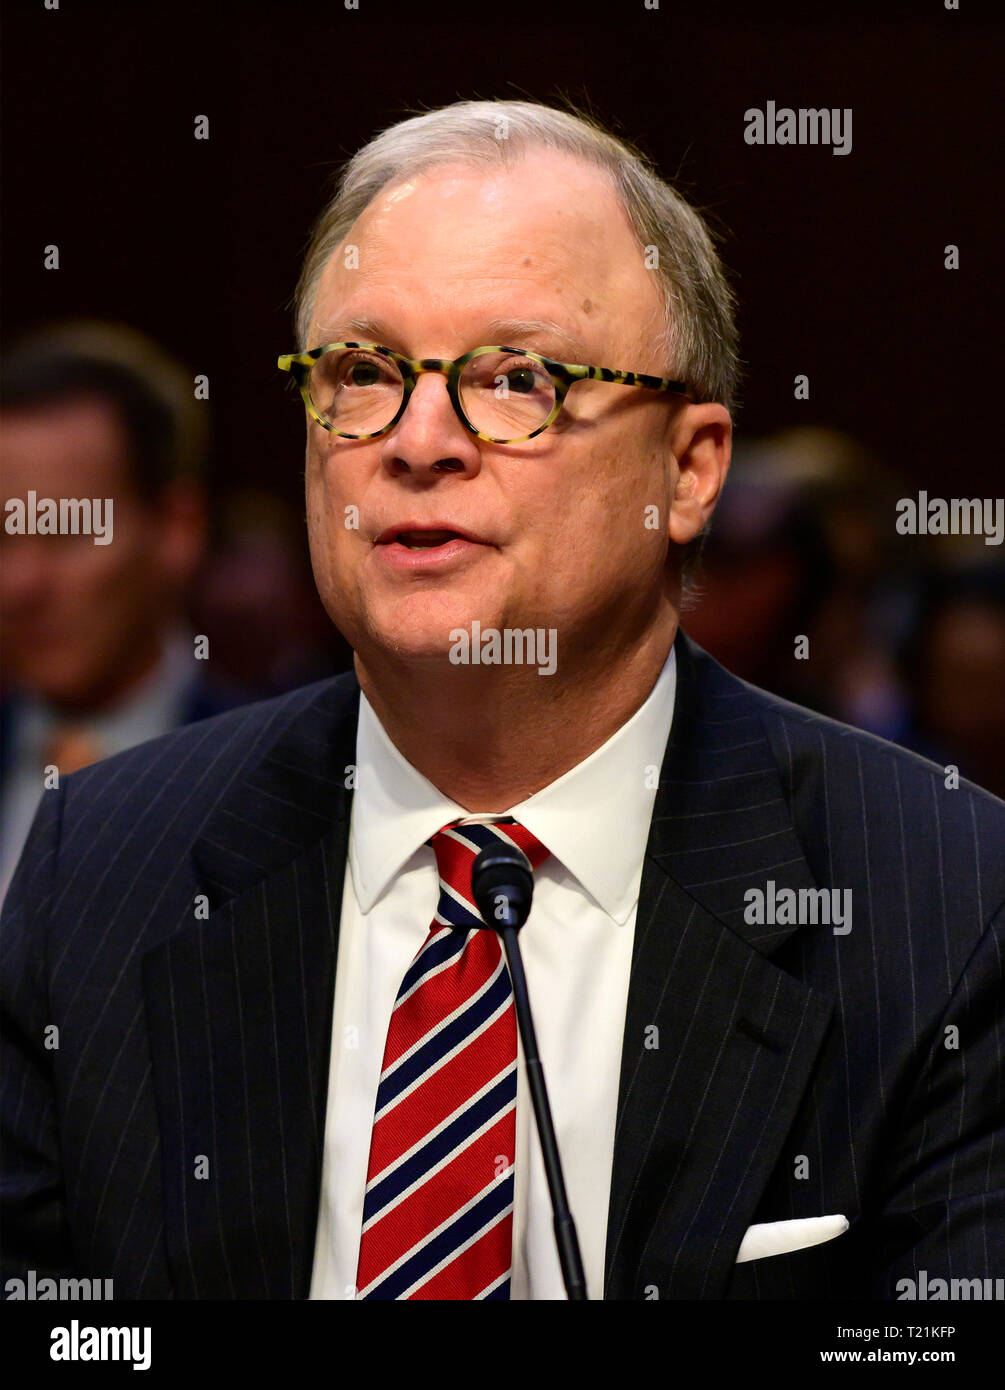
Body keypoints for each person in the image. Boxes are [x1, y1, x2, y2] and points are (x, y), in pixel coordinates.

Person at [1, 99, 1002, 1302]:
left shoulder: (943, 898)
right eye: (363, 373)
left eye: (518, 377)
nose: (419, 440)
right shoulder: (100, 866)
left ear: (687, 471)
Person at [0, 321, 246, 902]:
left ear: (176, 530)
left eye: (66, 532)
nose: (20, 582)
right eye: (3, 537)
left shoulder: (275, 780)